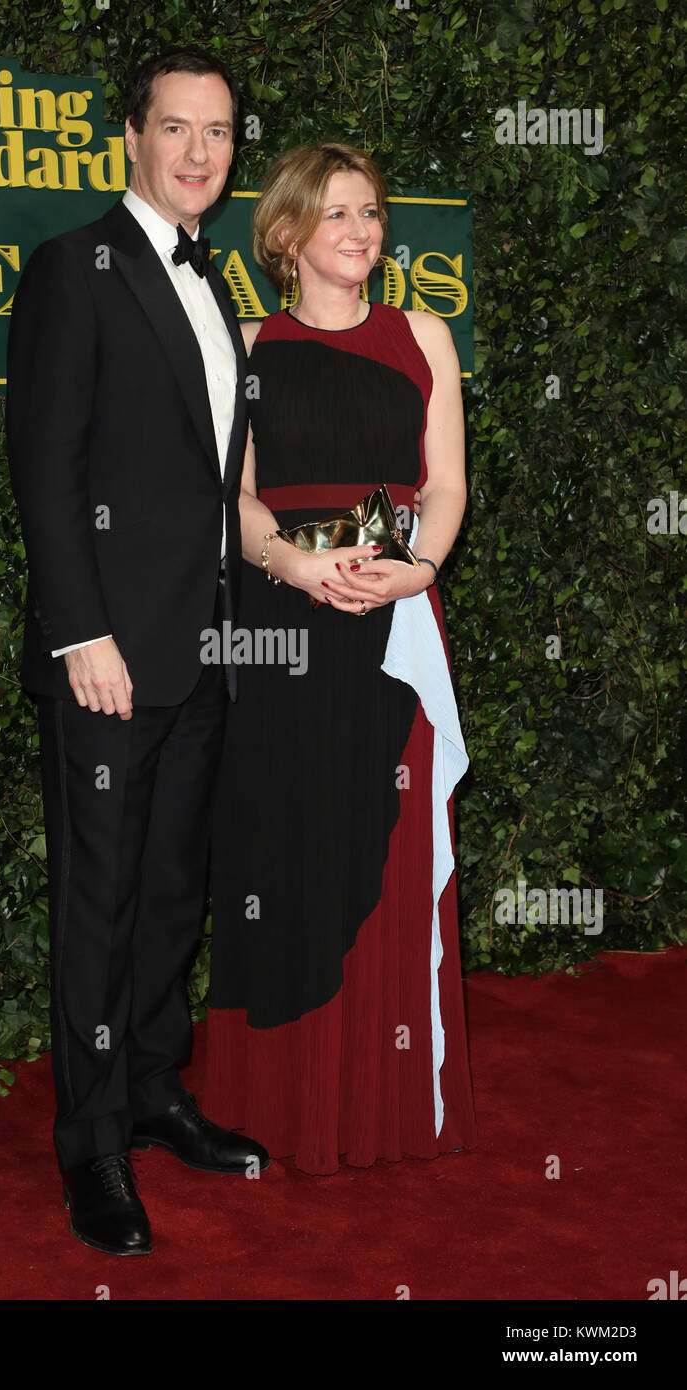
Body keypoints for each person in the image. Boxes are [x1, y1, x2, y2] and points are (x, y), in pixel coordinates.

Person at [6, 47, 268, 1257]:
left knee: (172, 889)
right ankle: (92, 1141)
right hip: (109, 655)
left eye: (217, 132)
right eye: (176, 128)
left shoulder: (213, 286)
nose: (199, 153)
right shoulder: (75, 268)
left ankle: (155, 1090)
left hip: (205, 648)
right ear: (130, 137)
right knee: (101, 902)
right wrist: (79, 633)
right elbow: (46, 472)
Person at [202, 143, 477, 1174]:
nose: (360, 230)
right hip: (279, 620)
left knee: (386, 842)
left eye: (369, 212)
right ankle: (273, 1105)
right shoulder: (239, 345)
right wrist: (287, 560)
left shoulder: (423, 335)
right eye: (334, 215)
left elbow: (442, 484)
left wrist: (419, 567)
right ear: (284, 237)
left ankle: (385, 1107)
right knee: (276, 844)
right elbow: (228, 495)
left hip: (393, 620)